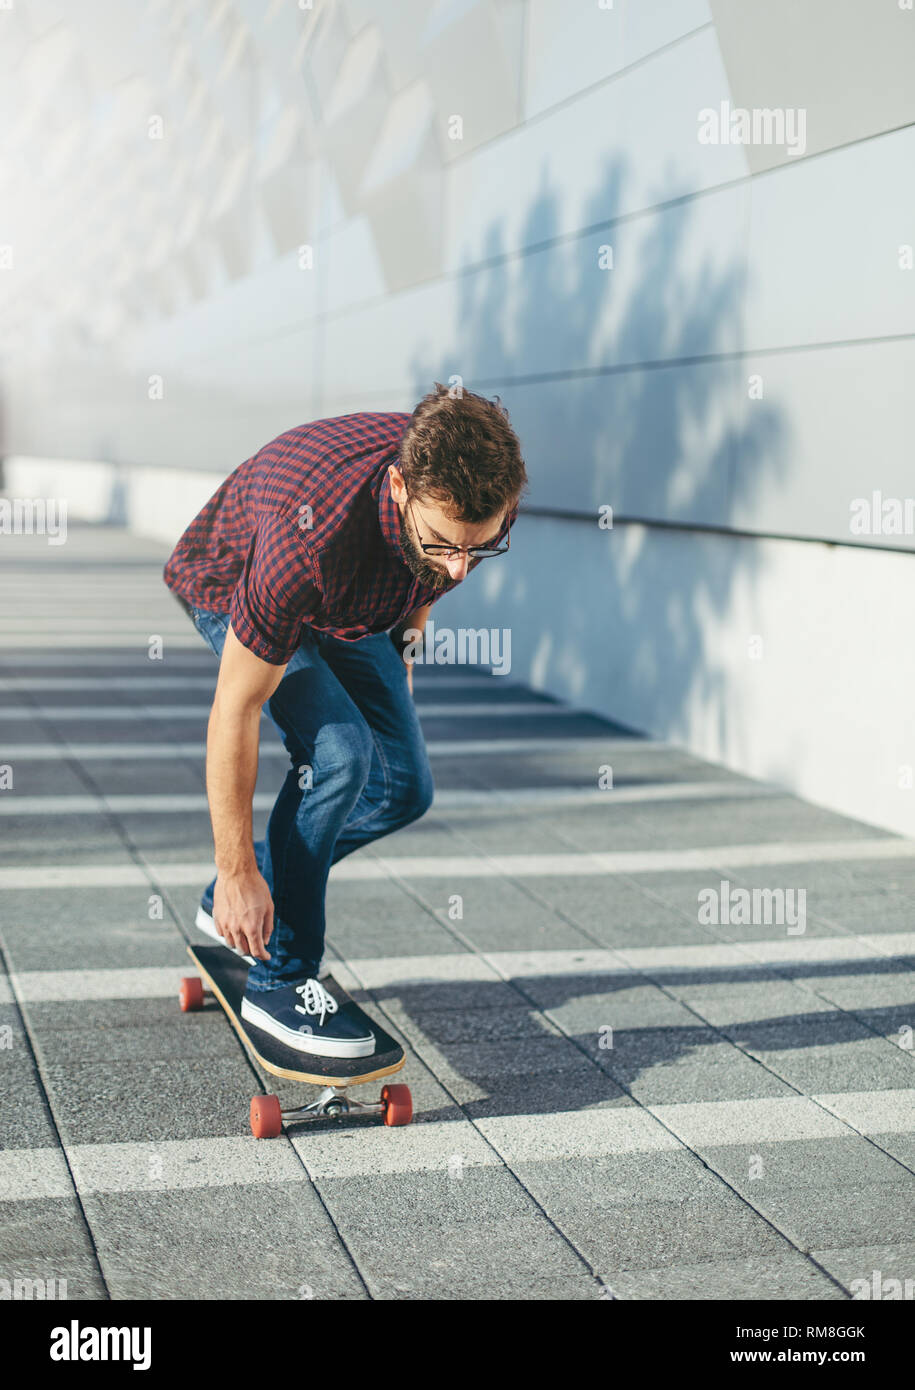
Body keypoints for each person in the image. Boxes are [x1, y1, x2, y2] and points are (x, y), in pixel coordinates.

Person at [164, 384, 526, 1057]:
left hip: (358, 602)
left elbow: (434, 578)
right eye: (444, 544)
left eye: (480, 547)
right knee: (340, 756)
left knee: (402, 787)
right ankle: (281, 977)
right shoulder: (305, 547)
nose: (460, 567)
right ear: (397, 488)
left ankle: (247, 890)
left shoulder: (468, 502)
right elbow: (234, 709)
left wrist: (407, 648)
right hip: (236, 581)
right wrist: (237, 868)